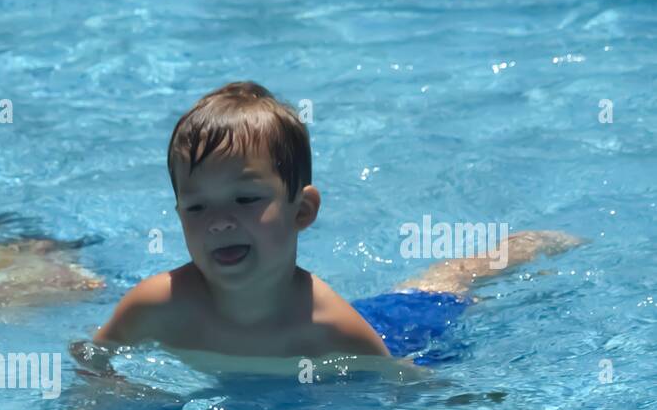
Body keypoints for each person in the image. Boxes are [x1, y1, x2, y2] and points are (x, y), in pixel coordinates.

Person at [89, 81, 584, 379]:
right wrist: (118, 395)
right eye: (197, 208)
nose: (219, 221)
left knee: (445, 289)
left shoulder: (329, 325)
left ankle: (514, 250)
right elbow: (92, 359)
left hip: (398, 332)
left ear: (301, 211)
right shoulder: (157, 303)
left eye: (245, 199)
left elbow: (399, 383)